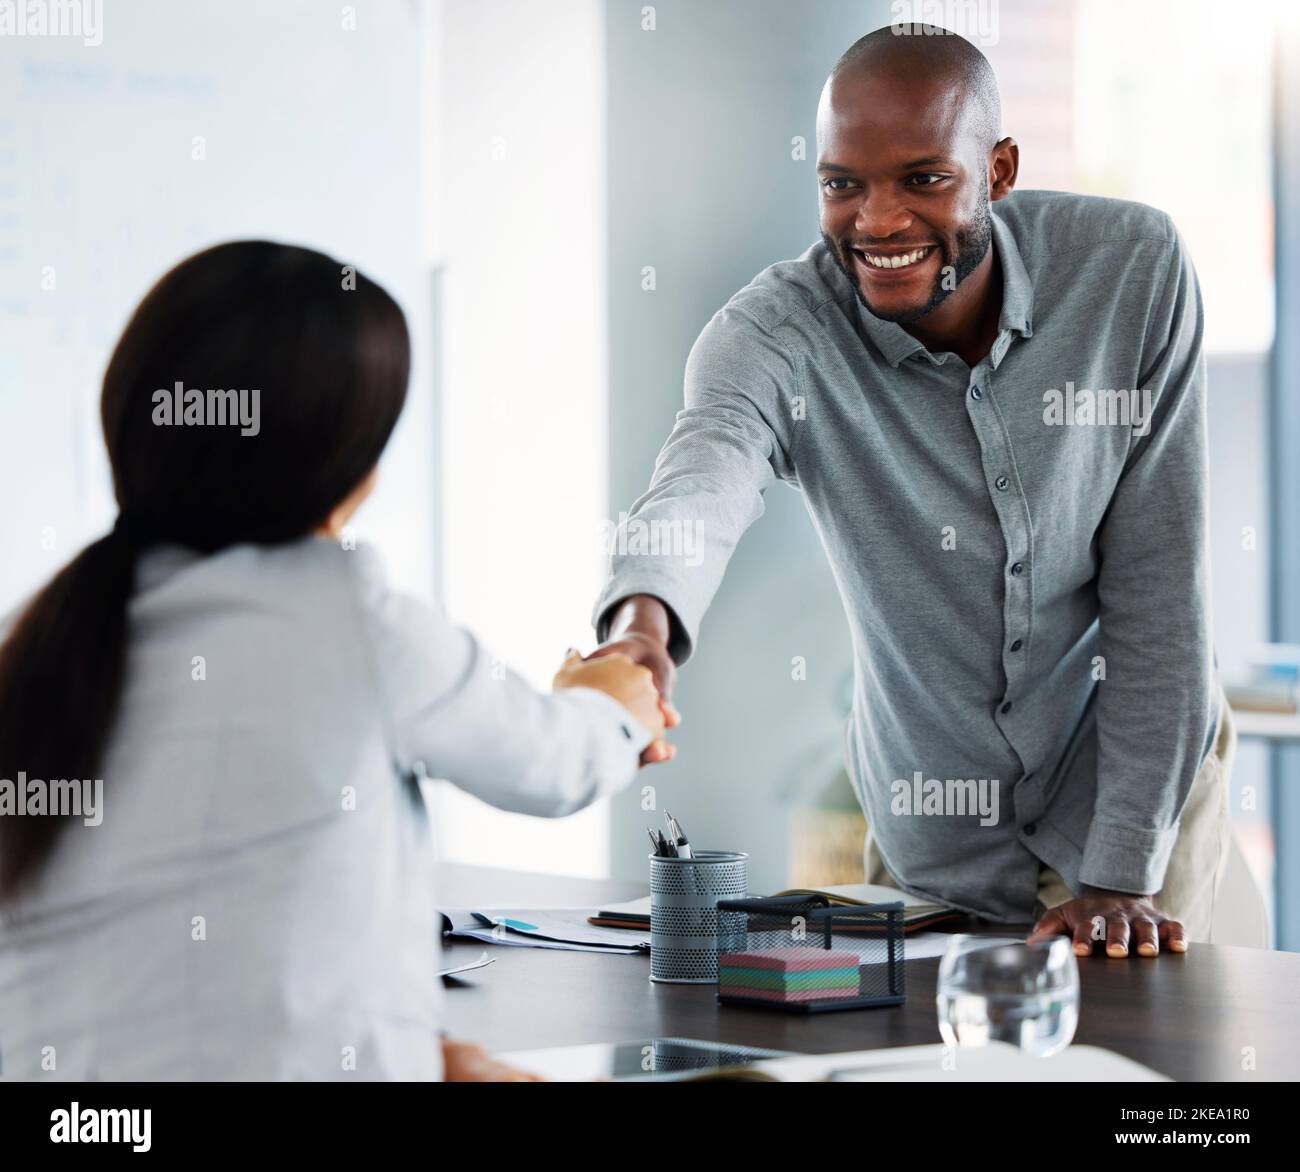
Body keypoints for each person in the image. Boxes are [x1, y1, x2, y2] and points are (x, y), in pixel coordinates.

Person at [588, 24, 1236, 956]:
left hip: (1132, 788)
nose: (877, 221)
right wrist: (642, 628)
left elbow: (1160, 596)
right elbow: (702, 476)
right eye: (843, 184)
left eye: (923, 179)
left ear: (999, 170)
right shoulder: (778, 335)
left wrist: (1118, 877)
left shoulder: (1130, 274)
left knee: (1132, 1073)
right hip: (937, 830)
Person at [0, 241, 664, 1080]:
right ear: (353, 465)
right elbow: (556, 763)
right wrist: (610, 702)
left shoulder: (40, 631)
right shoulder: (351, 615)